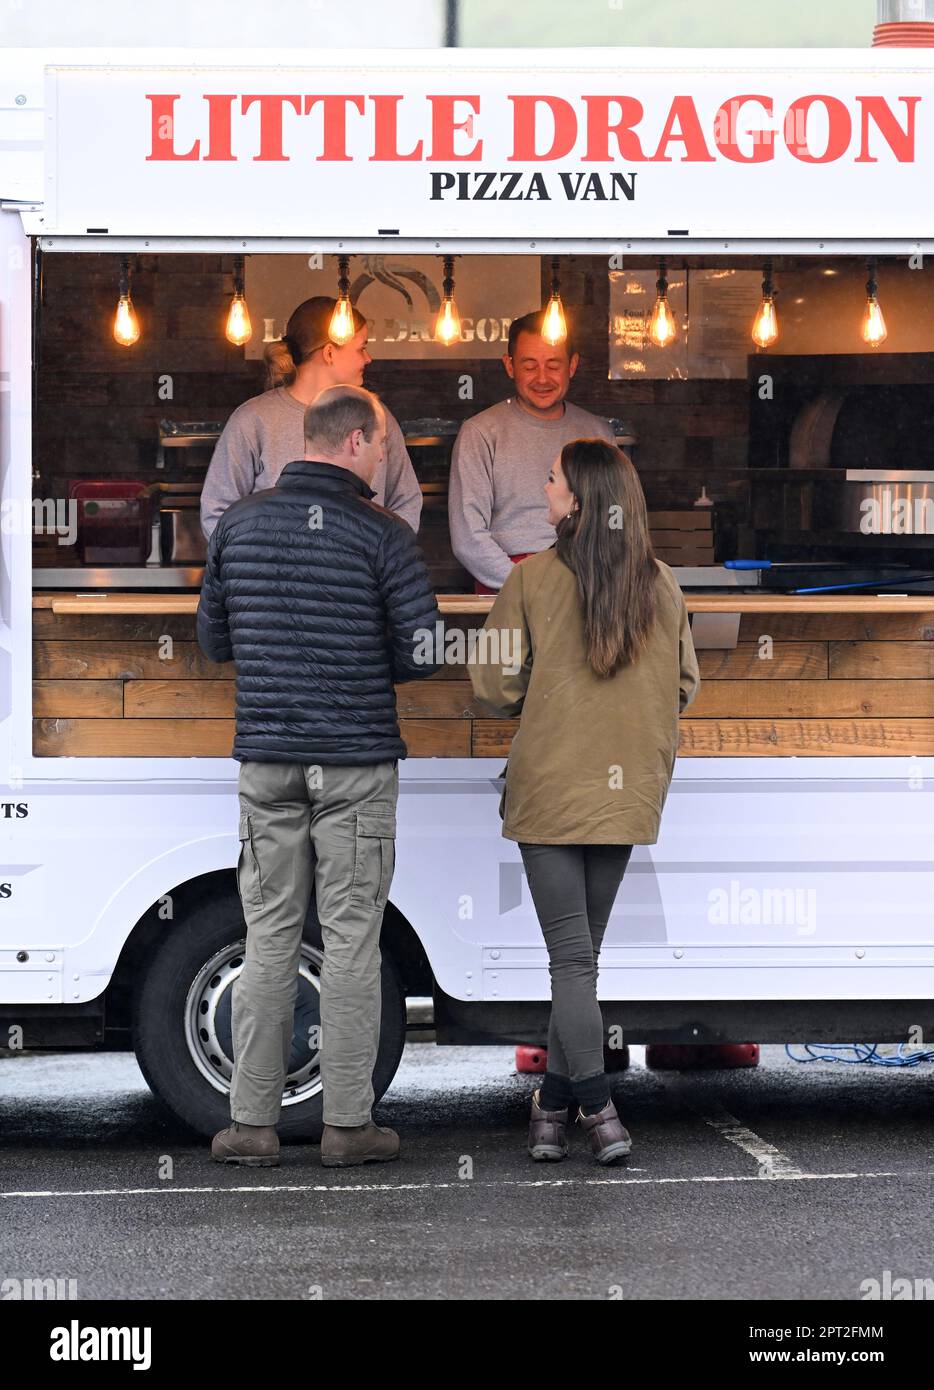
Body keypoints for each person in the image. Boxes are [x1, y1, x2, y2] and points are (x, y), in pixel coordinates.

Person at [197, 384, 441, 1169]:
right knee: (350, 945)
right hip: (356, 766)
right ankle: (346, 1126)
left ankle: (252, 1126)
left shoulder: (238, 523)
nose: (383, 458)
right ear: (354, 442)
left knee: (267, 939)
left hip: (267, 760)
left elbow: (211, 640)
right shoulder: (385, 534)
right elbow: (422, 652)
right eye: (379, 445)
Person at [468, 438, 699, 1166]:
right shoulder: (661, 583)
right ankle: (550, 1109)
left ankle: (596, 1109)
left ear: (579, 499)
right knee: (581, 960)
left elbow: (493, 690)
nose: (544, 489)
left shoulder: (532, 581)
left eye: (552, 479)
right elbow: (684, 685)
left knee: (571, 961)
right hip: (626, 789)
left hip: (550, 791)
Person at [200, 296, 422, 538]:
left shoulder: (378, 416)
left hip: (361, 575)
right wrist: (261, 568)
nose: (368, 358)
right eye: (361, 348)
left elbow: (406, 501)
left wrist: (384, 560)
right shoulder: (253, 420)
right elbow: (217, 512)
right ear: (329, 353)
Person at [448, 308, 616, 594]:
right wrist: (528, 586)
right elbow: (468, 537)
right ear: (509, 366)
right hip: (506, 585)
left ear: (572, 365)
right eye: (529, 366)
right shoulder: (480, 432)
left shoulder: (598, 434)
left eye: (553, 365)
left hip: (585, 586)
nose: (542, 378)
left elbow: (614, 523)